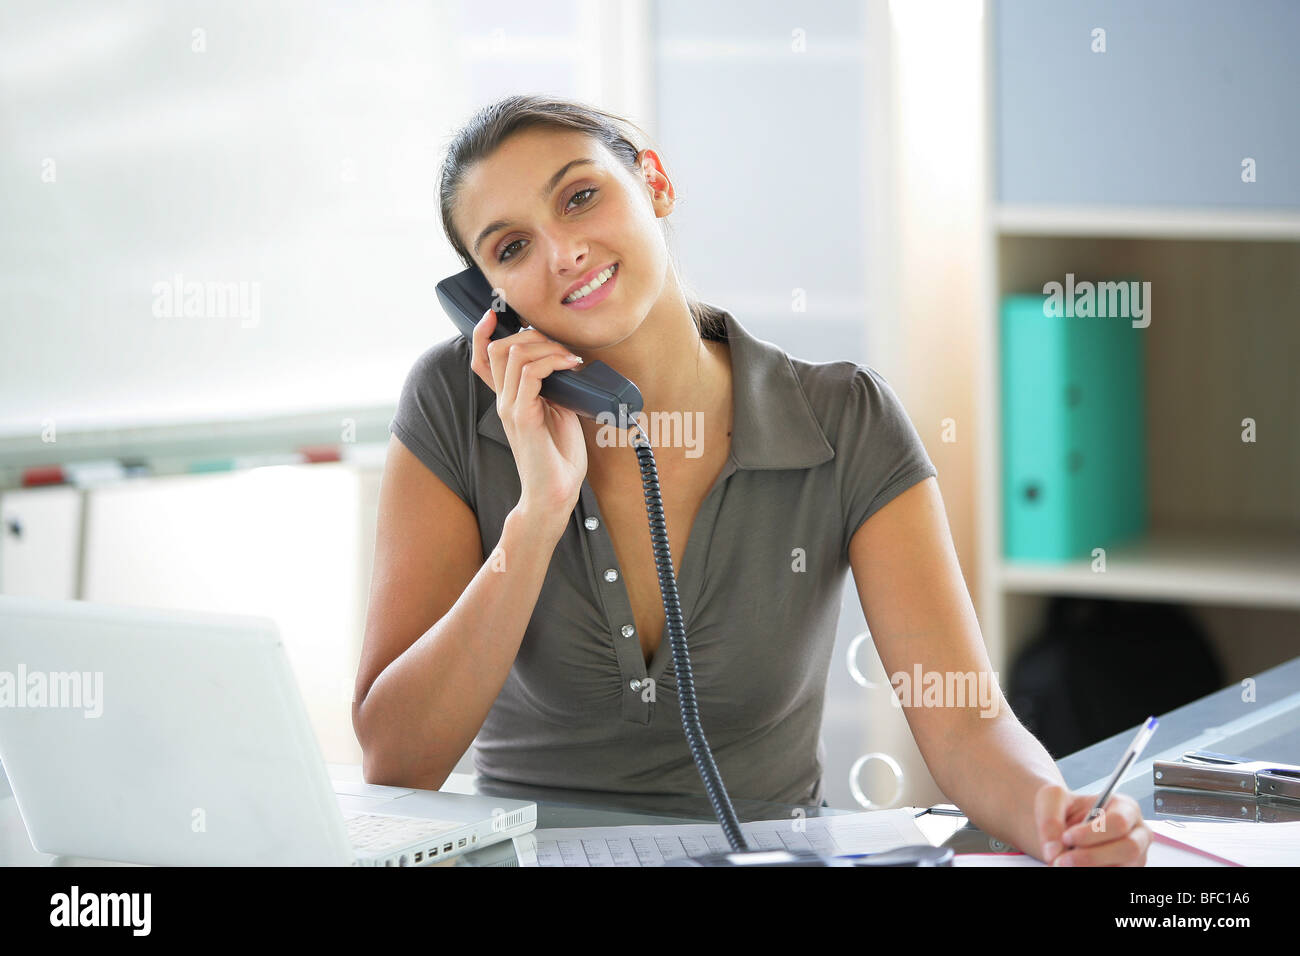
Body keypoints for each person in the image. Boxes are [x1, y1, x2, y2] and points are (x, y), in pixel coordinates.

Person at [352, 94, 1150, 866]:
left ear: (654, 183)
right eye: (511, 248)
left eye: (581, 197)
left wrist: (1053, 812)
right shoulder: (455, 404)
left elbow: (966, 726)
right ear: (489, 300)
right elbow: (396, 760)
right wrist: (538, 514)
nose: (562, 253)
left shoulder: (842, 418)